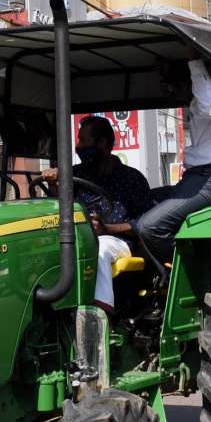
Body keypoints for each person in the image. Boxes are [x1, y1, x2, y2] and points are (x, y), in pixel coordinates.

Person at [135, 59, 211, 264]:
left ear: (190, 82)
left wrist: (194, 62)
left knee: (149, 227)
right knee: (141, 199)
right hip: (199, 178)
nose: (171, 93)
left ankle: (198, 273)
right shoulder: (201, 100)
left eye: (172, 86)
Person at [43, 115, 153, 311]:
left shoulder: (132, 179)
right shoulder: (75, 174)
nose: (78, 146)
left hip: (118, 241)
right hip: (77, 238)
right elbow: (60, 201)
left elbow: (146, 223)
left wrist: (106, 228)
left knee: (98, 248)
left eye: (84, 141)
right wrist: (53, 183)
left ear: (102, 143)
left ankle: (99, 318)